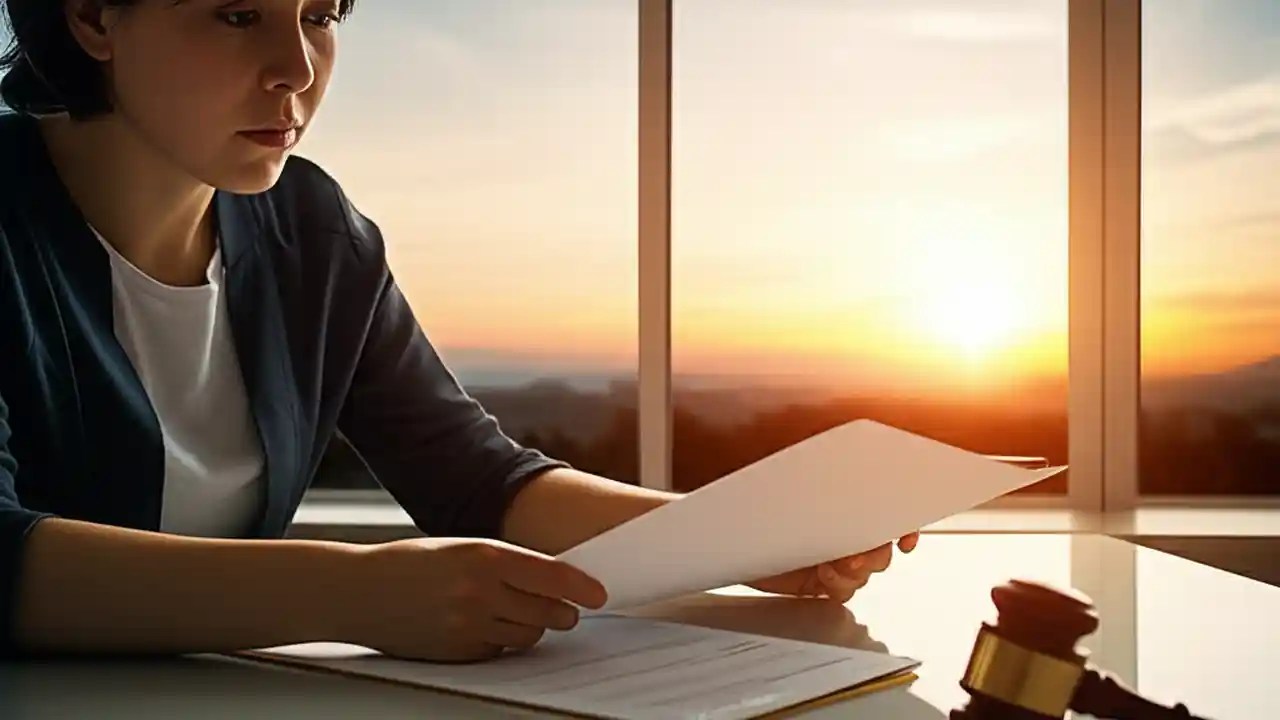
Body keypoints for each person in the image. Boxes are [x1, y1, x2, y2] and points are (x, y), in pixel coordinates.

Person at [0, 0, 917, 663]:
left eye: (319, 15)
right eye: (238, 15)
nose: (298, 69)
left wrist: (746, 540)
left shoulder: (313, 232)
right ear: (93, 18)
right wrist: (351, 594)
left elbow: (477, 479)